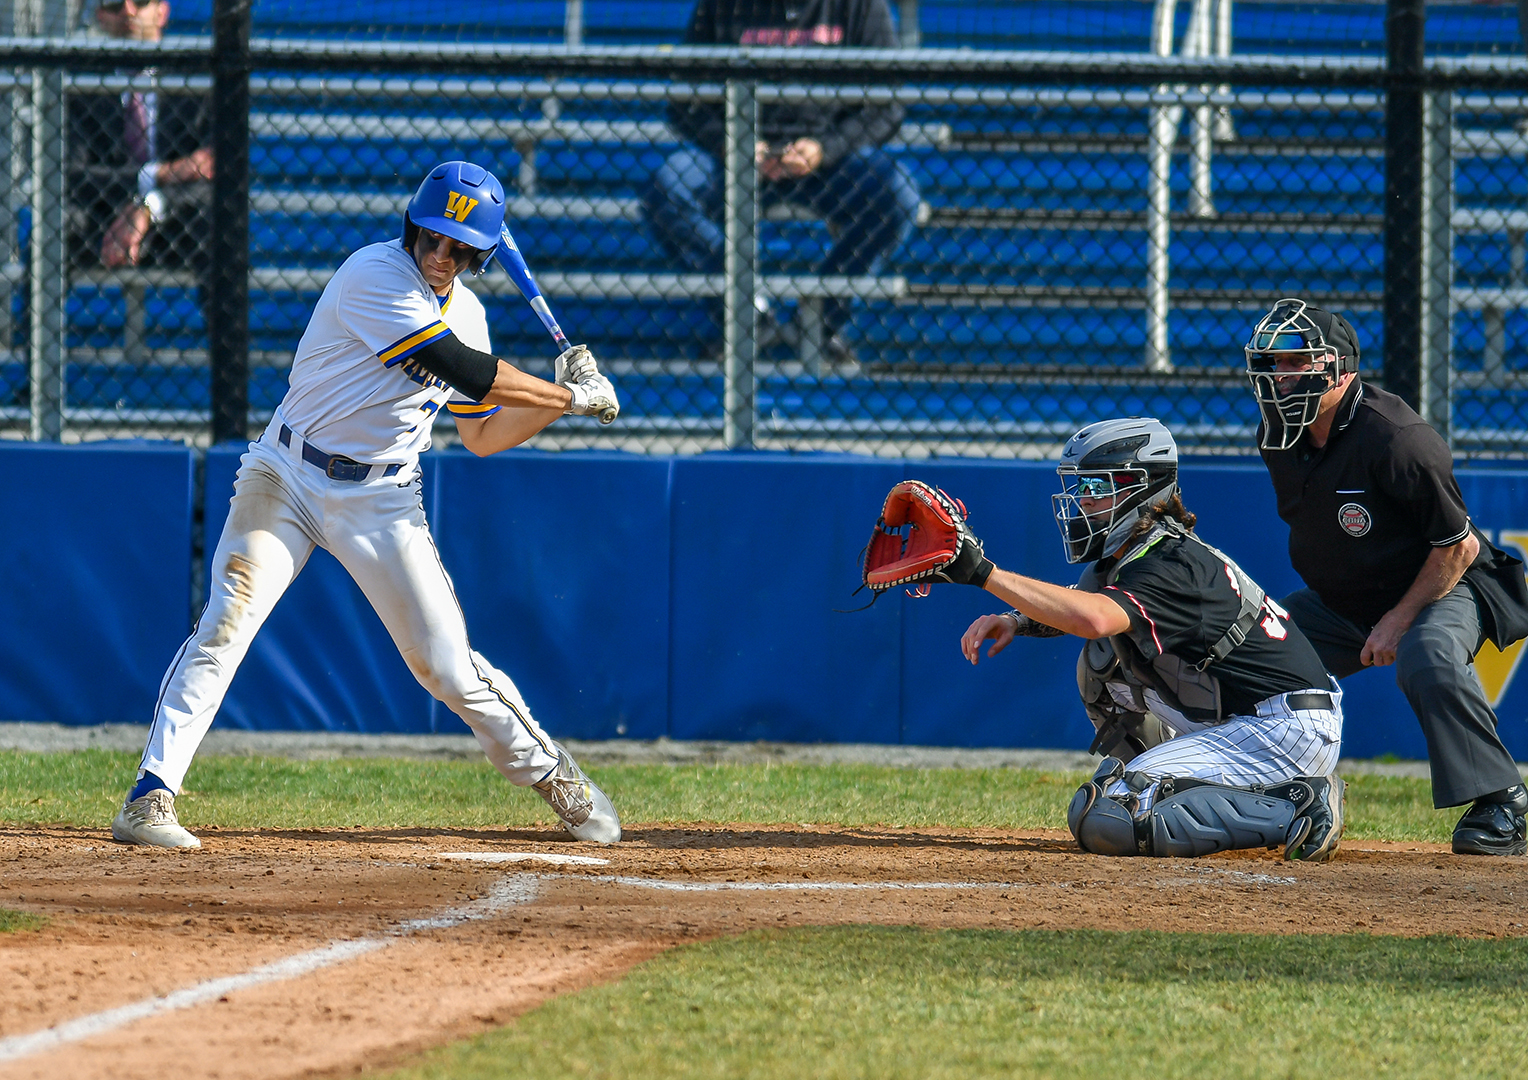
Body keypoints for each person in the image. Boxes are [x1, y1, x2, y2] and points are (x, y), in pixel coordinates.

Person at [111, 161, 624, 849]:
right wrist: (569, 395)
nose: (439, 255)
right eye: (431, 237)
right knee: (227, 621)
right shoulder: (373, 274)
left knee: (447, 667)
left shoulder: (469, 312)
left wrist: (557, 409)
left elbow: (482, 433)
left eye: (458, 246)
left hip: (383, 498)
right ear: (412, 227)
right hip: (286, 474)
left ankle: (556, 777)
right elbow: (462, 369)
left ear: (478, 255)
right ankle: (151, 796)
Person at [953, 417, 1345, 861]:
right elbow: (1079, 606)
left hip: (1282, 729)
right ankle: (1164, 786)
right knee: (1103, 668)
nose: (1083, 503)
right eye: (1082, 489)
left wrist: (983, 573)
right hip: (1244, 714)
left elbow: (1093, 618)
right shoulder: (1133, 555)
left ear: (1143, 488)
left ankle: (1297, 805)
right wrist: (1016, 621)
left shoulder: (1170, 562)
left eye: (1098, 489)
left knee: (1109, 816)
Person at [1245, 298, 1528, 856]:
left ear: (1340, 368)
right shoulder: (1279, 434)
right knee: (1255, 654)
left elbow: (1458, 545)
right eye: (1274, 365)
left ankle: (1502, 801)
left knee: (1430, 654)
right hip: (1344, 599)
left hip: (1442, 584)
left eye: (1297, 362)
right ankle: (1258, 788)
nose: (1281, 378)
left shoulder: (1398, 439)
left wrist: (1398, 619)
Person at [642, 0, 922, 363]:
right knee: (669, 187)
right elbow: (684, 102)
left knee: (897, 193)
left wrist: (825, 148)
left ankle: (822, 320)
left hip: (829, 164)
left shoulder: (861, 5)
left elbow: (888, 104)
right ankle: (747, 315)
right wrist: (733, 144)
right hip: (736, 160)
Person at [72, 0, 214, 269]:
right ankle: (36, 312)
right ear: (101, 16)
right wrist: (159, 174)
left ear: (162, 11)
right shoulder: (80, 85)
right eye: (114, 4)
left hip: (174, 217)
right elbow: (73, 174)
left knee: (219, 220)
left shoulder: (199, 81)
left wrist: (149, 207)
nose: (128, 11)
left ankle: (228, 313)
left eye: (140, 1)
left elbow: (212, 168)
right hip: (102, 215)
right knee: (55, 224)